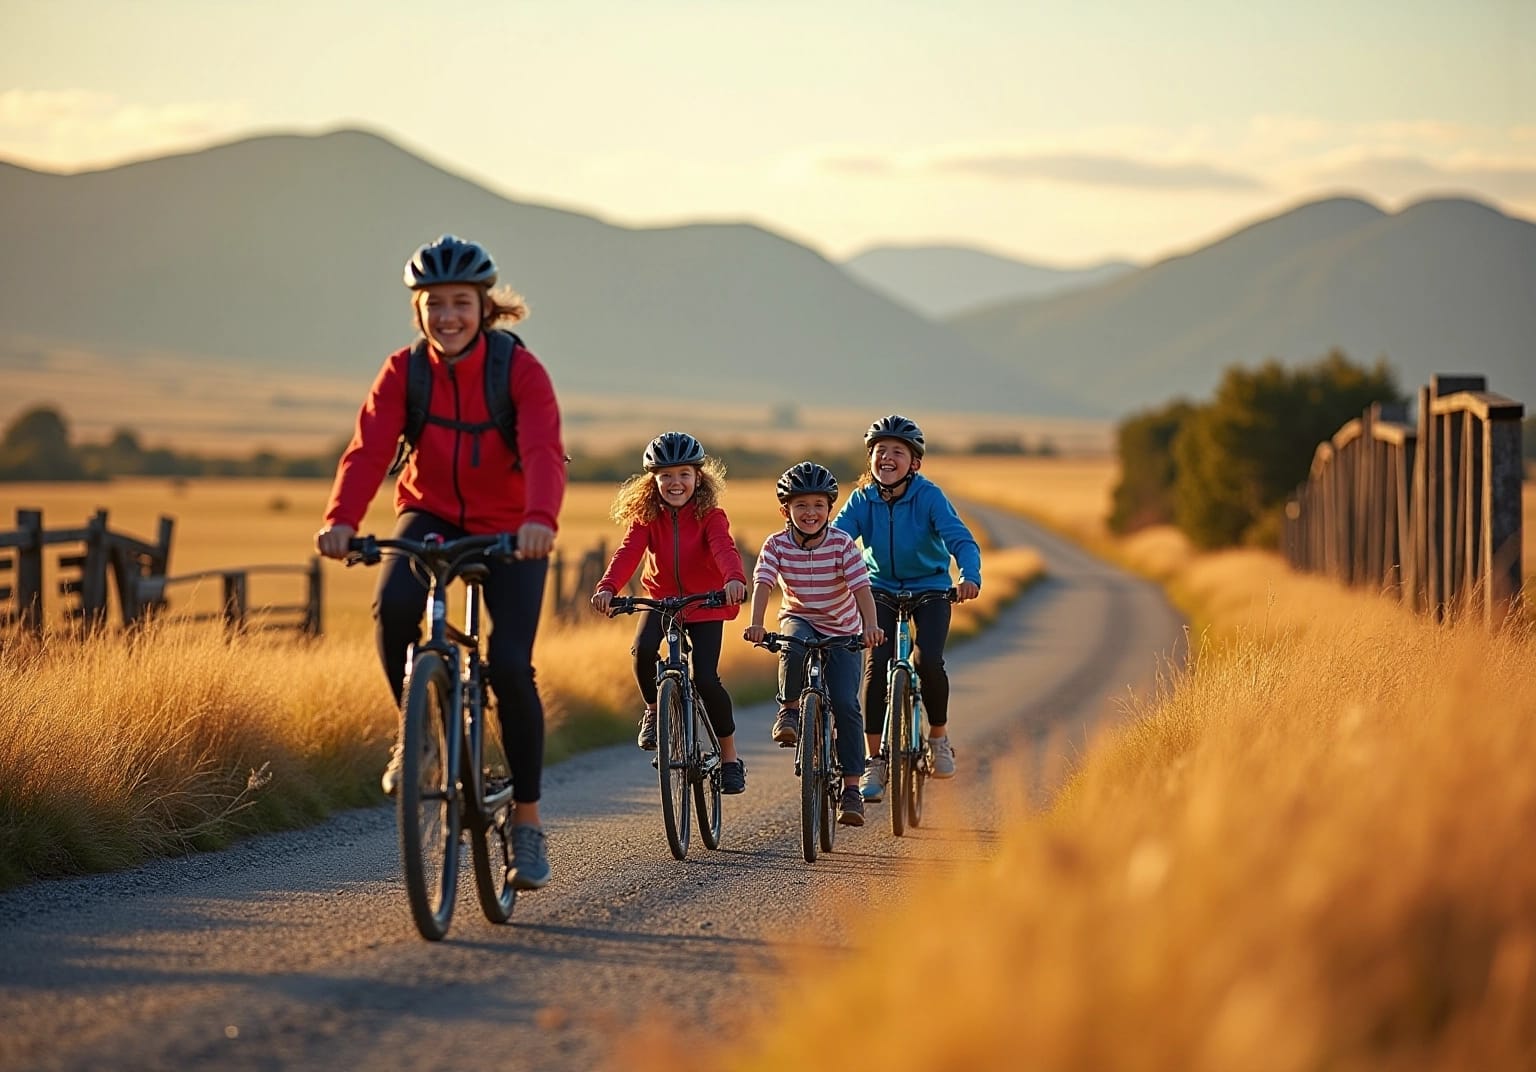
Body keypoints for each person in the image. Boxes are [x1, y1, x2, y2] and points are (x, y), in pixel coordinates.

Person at [315, 234, 565, 891]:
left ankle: (528, 819)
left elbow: (543, 450)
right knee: (394, 604)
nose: (448, 316)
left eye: (461, 302)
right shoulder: (405, 372)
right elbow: (368, 450)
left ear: (484, 308)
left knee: (509, 665)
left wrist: (539, 522)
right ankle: (421, 733)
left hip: (513, 528)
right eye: (434, 304)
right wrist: (342, 521)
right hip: (430, 513)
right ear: (417, 311)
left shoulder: (518, 372)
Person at [590, 432, 750, 793]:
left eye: (683, 475)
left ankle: (728, 759)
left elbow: (724, 549)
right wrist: (607, 588)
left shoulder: (710, 515)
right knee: (643, 652)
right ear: (653, 481)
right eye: (666, 476)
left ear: (699, 477)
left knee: (707, 679)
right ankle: (653, 710)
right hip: (661, 601)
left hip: (706, 603)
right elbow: (628, 553)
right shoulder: (646, 517)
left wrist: (734, 580)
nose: (675, 483)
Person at [832, 415, 981, 802]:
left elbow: (961, 540)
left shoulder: (929, 496)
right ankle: (874, 759)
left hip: (930, 587)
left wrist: (969, 576)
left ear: (914, 463)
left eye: (898, 451)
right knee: (876, 665)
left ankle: (937, 738)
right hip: (878, 587)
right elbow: (839, 540)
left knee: (928, 659)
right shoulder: (862, 499)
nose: (887, 458)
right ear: (870, 459)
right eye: (880, 451)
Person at [744, 462, 884, 826]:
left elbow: (861, 590)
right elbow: (763, 584)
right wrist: (757, 624)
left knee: (846, 706)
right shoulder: (776, 544)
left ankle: (851, 788)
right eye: (801, 505)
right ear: (785, 511)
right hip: (800, 617)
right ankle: (790, 710)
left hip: (842, 628)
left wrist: (870, 627)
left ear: (829, 509)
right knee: (791, 644)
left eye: (818, 506)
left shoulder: (842, 545)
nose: (810, 513)